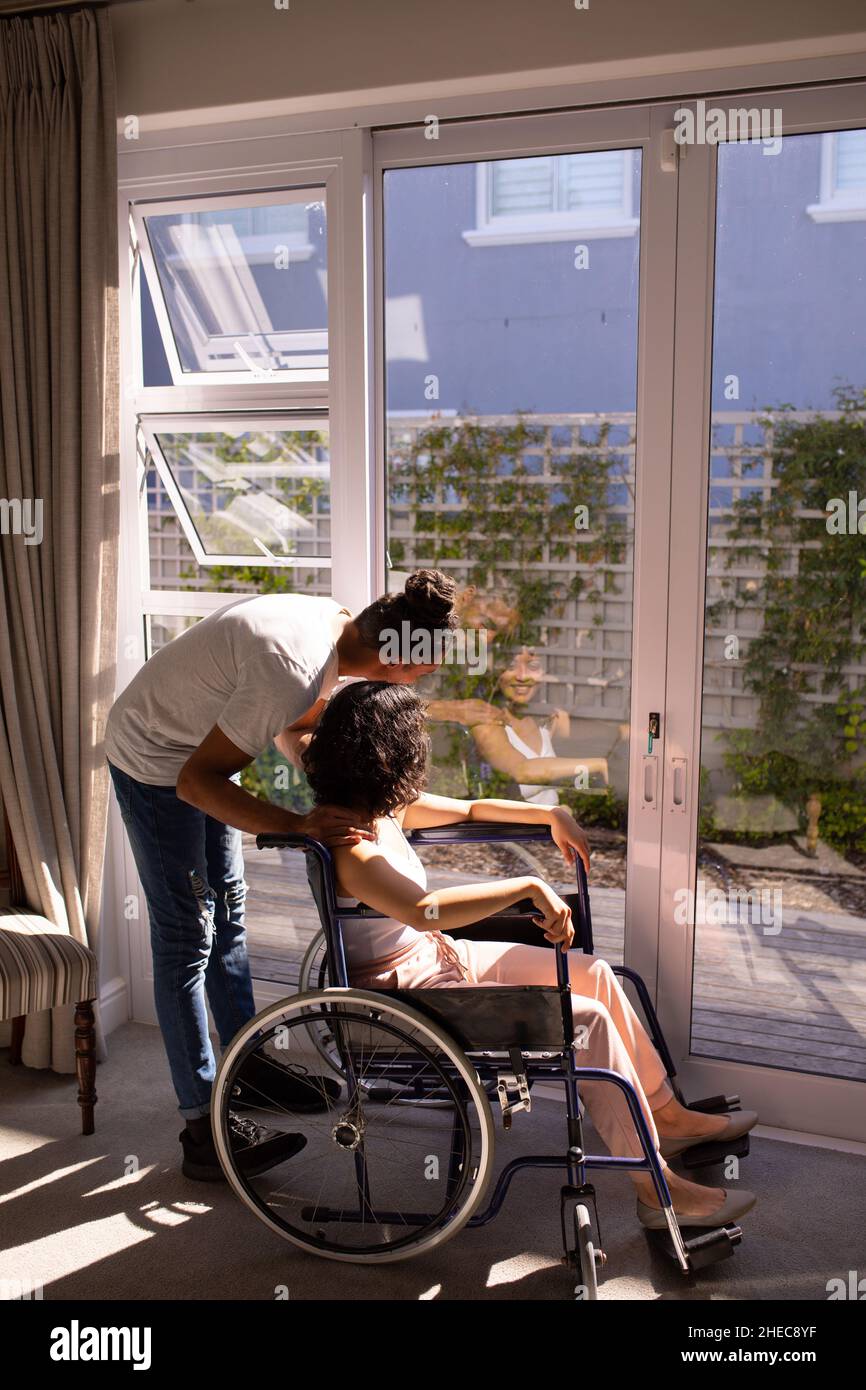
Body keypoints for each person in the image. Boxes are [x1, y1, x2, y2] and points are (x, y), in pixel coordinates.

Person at [301, 681, 759, 1229]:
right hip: (403, 994)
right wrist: (526, 886)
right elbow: (425, 909)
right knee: (582, 1021)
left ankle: (665, 1113)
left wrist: (549, 814)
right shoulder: (348, 843)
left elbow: (470, 807)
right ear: (383, 754)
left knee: (593, 975)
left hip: (439, 957)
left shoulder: (383, 809)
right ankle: (656, 1190)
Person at [105, 569, 459, 1180]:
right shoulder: (293, 664)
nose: (420, 686)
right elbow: (195, 782)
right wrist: (298, 825)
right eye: (421, 673)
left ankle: (248, 1070)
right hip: (158, 760)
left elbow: (290, 726)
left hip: (202, 753)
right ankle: (203, 1129)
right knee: (188, 936)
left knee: (231, 918)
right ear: (395, 658)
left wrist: (331, 783)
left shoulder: (334, 624)